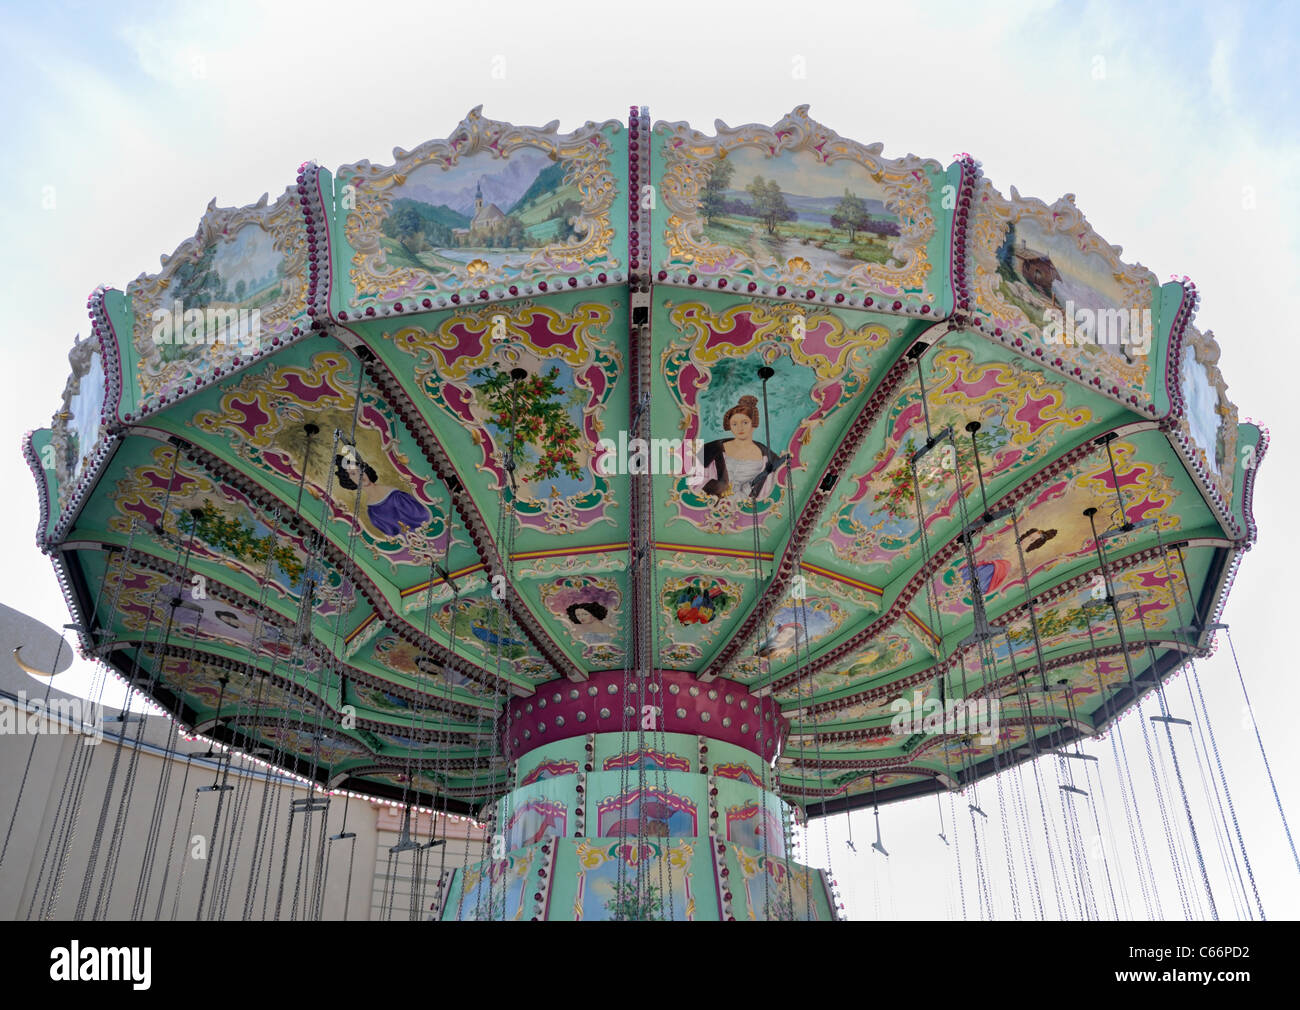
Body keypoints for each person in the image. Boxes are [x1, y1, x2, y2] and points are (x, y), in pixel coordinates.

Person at [334, 445, 430, 538]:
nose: (360, 475)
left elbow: (423, 517)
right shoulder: (372, 512)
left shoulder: (396, 495)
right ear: (349, 479)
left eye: (359, 470)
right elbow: (393, 536)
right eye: (353, 473)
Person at [698, 395, 781, 499]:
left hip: (749, 509)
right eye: (734, 424)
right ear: (730, 426)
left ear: (753, 424)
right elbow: (697, 480)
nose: (740, 428)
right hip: (715, 504)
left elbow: (768, 489)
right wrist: (718, 488)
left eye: (745, 422)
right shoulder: (714, 449)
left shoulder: (767, 458)